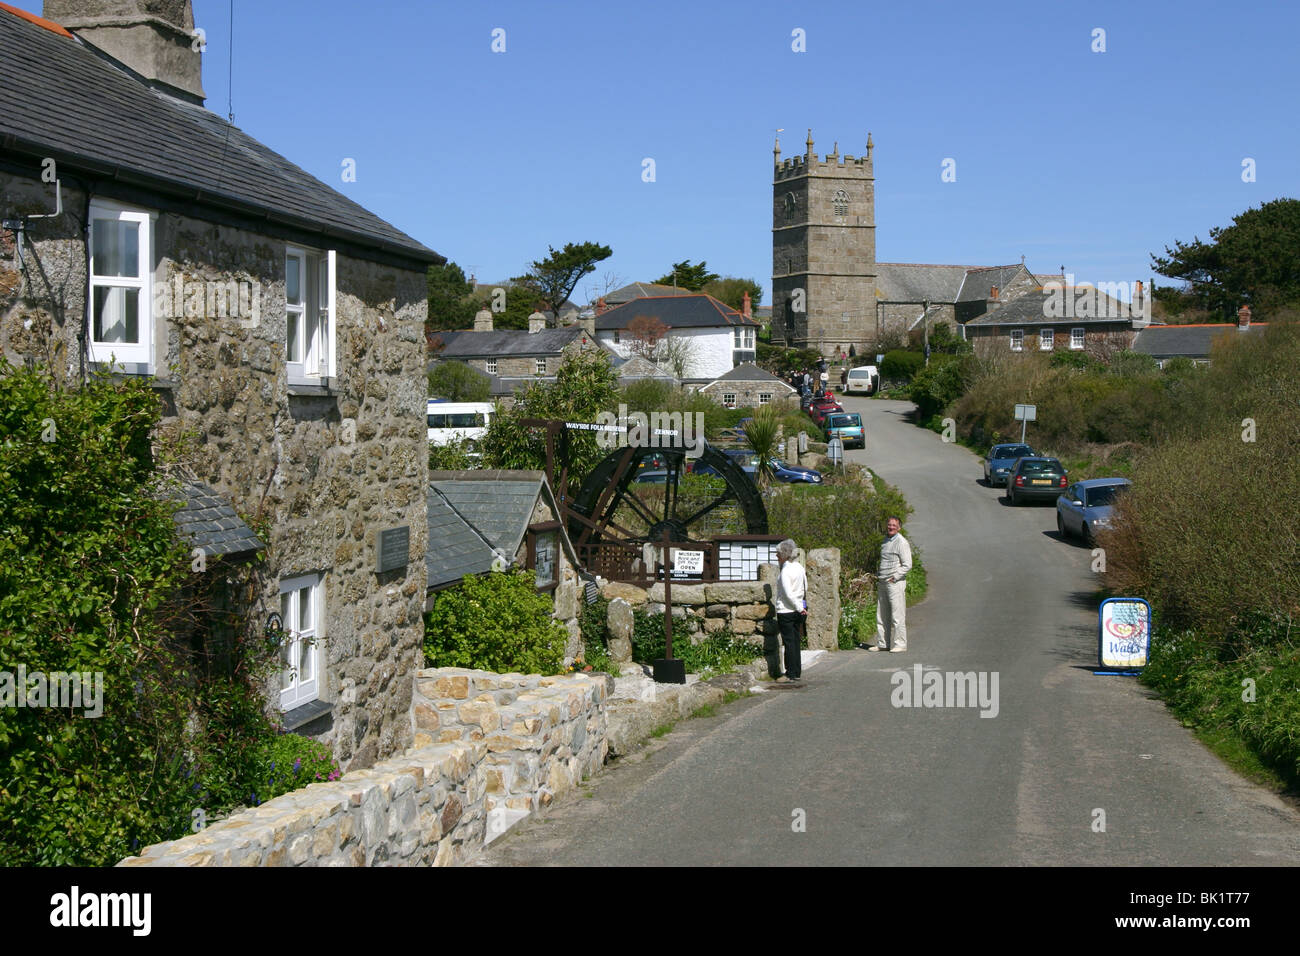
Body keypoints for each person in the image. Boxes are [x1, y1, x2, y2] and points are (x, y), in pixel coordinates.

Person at [868, 517, 912, 652]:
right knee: (881, 615)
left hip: (895, 583)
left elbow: (907, 564)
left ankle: (900, 644)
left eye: (894, 525)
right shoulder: (885, 541)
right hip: (882, 582)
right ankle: (883, 643)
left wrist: (895, 577)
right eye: (889, 525)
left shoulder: (901, 542)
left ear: (899, 528)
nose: (891, 527)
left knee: (897, 615)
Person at [769, 538, 808, 682]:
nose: (776, 556)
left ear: (785, 554)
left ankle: (790, 673)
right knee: (796, 641)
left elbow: (787, 593)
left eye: (778, 553)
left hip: (786, 610)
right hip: (799, 609)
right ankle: (797, 671)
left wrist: (797, 607)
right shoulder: (799, 567)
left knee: (789, 642)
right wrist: (802, 606)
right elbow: (805, 586)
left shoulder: (785, 571)